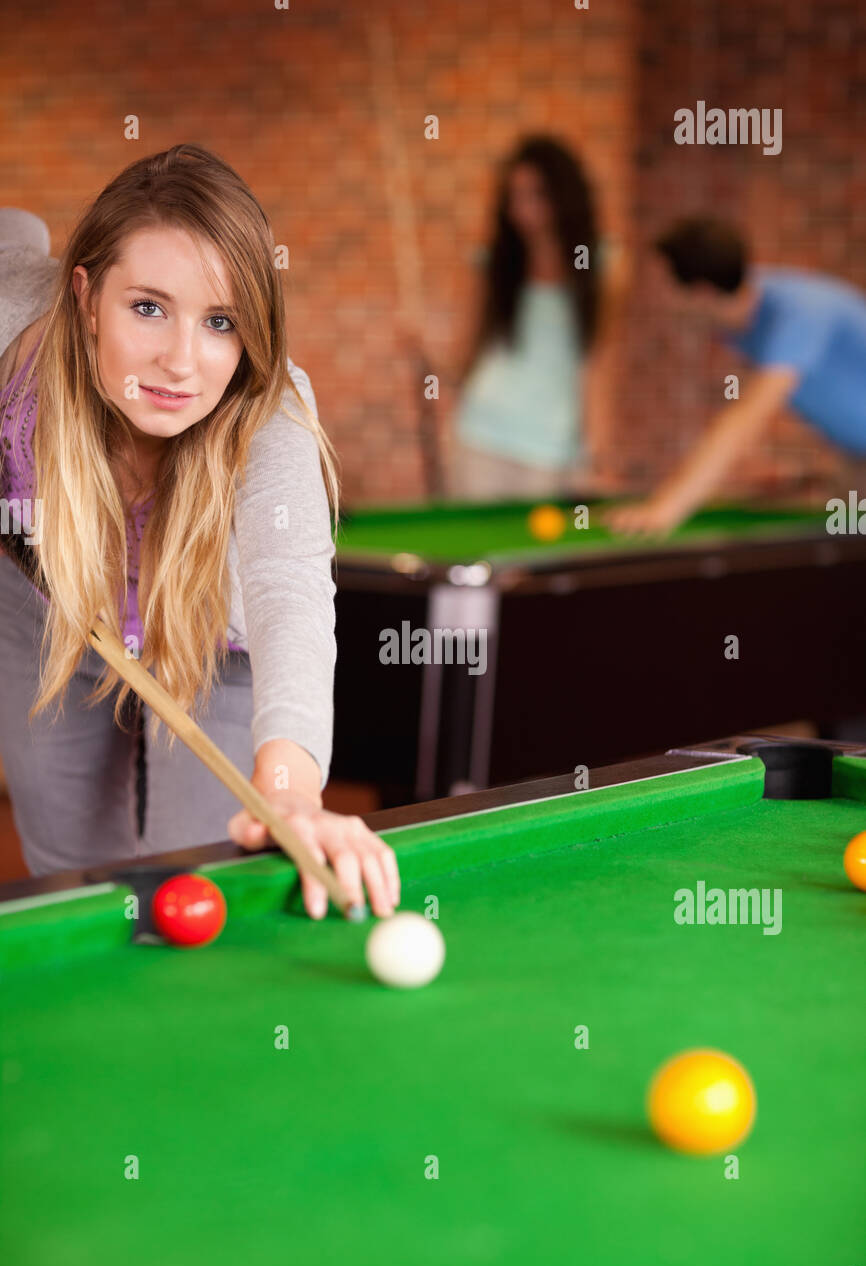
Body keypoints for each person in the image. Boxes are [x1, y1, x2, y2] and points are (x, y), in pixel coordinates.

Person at [0, 145, 399, 918]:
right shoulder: (13, 332)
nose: (181, 361)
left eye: (221, 322)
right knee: (72, 883)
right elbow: (13, 228)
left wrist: (291, 794)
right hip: (44, 610)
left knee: (202, 882)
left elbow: (290, 594)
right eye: (147, 306)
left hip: (214, 636)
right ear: (85, 296)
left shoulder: (270, 414)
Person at [606, 217, 866, 534]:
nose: (656, 299)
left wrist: (666, 508)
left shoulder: (798, 312)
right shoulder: (740, 324)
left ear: (700, 292)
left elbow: (746, 417)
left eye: (663, 286)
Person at [446, 134, 624, 499]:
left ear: (564, 194)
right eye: (514, 197)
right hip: (481, 436)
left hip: (553, 449)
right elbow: (464, 356)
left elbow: (598, 365)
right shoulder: (493, 264)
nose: (523, 210)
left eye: (536, 194)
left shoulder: (605, 266)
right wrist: (425, 352)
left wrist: (598, 457)